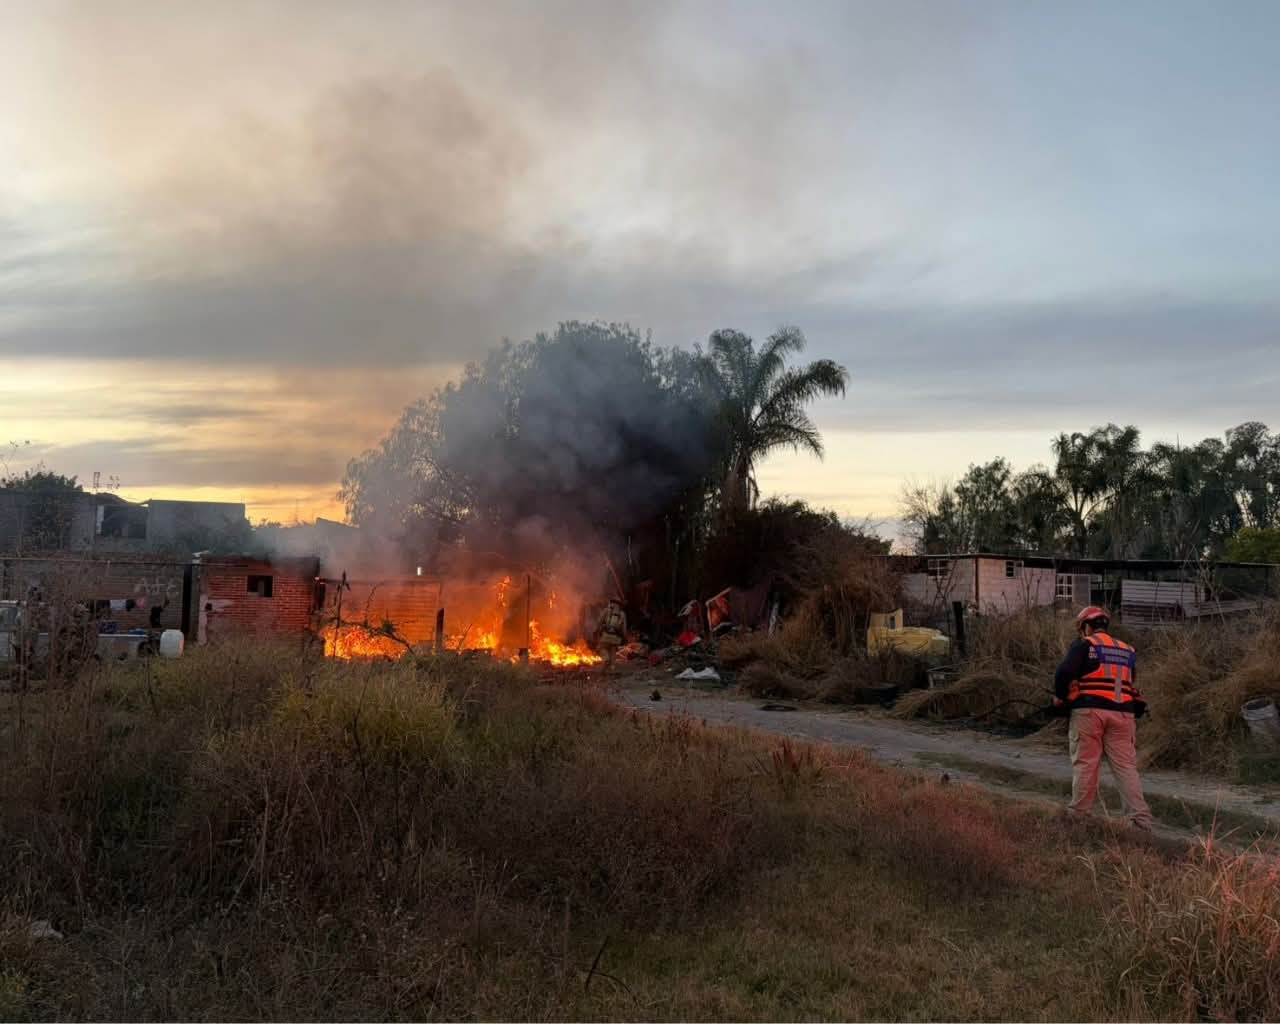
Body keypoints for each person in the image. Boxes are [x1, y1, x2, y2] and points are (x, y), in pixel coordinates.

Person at [1054, 606, 1153, 830]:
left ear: (1085, 627)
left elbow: (1064, 673)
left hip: (1090, 713)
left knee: (1086, 765)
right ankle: (1140, 821)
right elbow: (1128, 681)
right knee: (1126, 767)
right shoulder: (1127, 650)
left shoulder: (1085, 644)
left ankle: (1079, 816)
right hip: (1124, 714)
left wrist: (1061, 697)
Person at [596, 597, 627, 670]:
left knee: (601, 648)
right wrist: (624, 638)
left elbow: (599, 622)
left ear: (611, 602)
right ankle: (612, 667)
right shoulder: (622, 614)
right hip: (616, 638)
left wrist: (596, 631)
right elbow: (624, 628)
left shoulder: (606, 610)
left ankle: (606, 659)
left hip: (606, 636)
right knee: (613, 651)